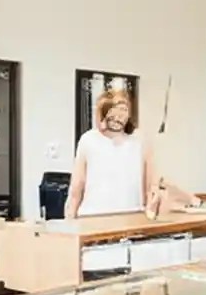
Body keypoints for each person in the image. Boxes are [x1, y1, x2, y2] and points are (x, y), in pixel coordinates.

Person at [64, 89, 154, 218]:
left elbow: (151, 187)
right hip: (92, 217)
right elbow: (76, 188)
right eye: (113, 110)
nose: (118, 116)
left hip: (131, 216)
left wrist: (149, 214)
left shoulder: (139, 142)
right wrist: (69, 220)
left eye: (124, 110)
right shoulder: (88, 140)